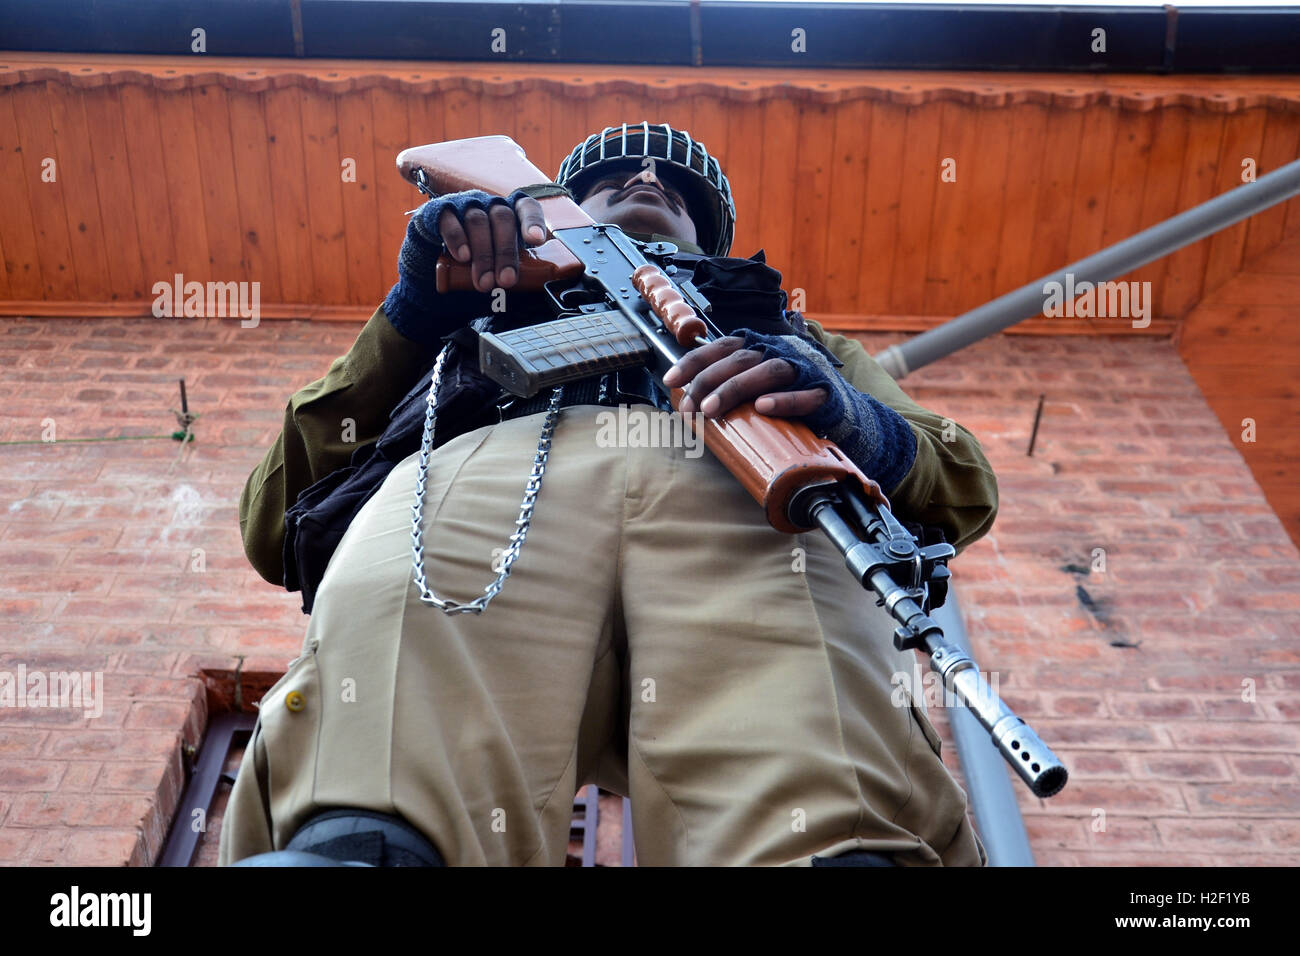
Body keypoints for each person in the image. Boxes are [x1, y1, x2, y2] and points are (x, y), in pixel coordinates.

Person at [219, 122, 998, 867]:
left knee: (818, 783)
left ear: (707, 237)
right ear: (556, 210)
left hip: (758, 509)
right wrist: (415, 310)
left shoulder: (793, 332)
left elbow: (961, 486)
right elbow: (275, 515)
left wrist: (844, 411)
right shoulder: (472, 298)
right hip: (484, 483)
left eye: (678, 188)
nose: (651, 178)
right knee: (385, 770)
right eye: (614, 176)